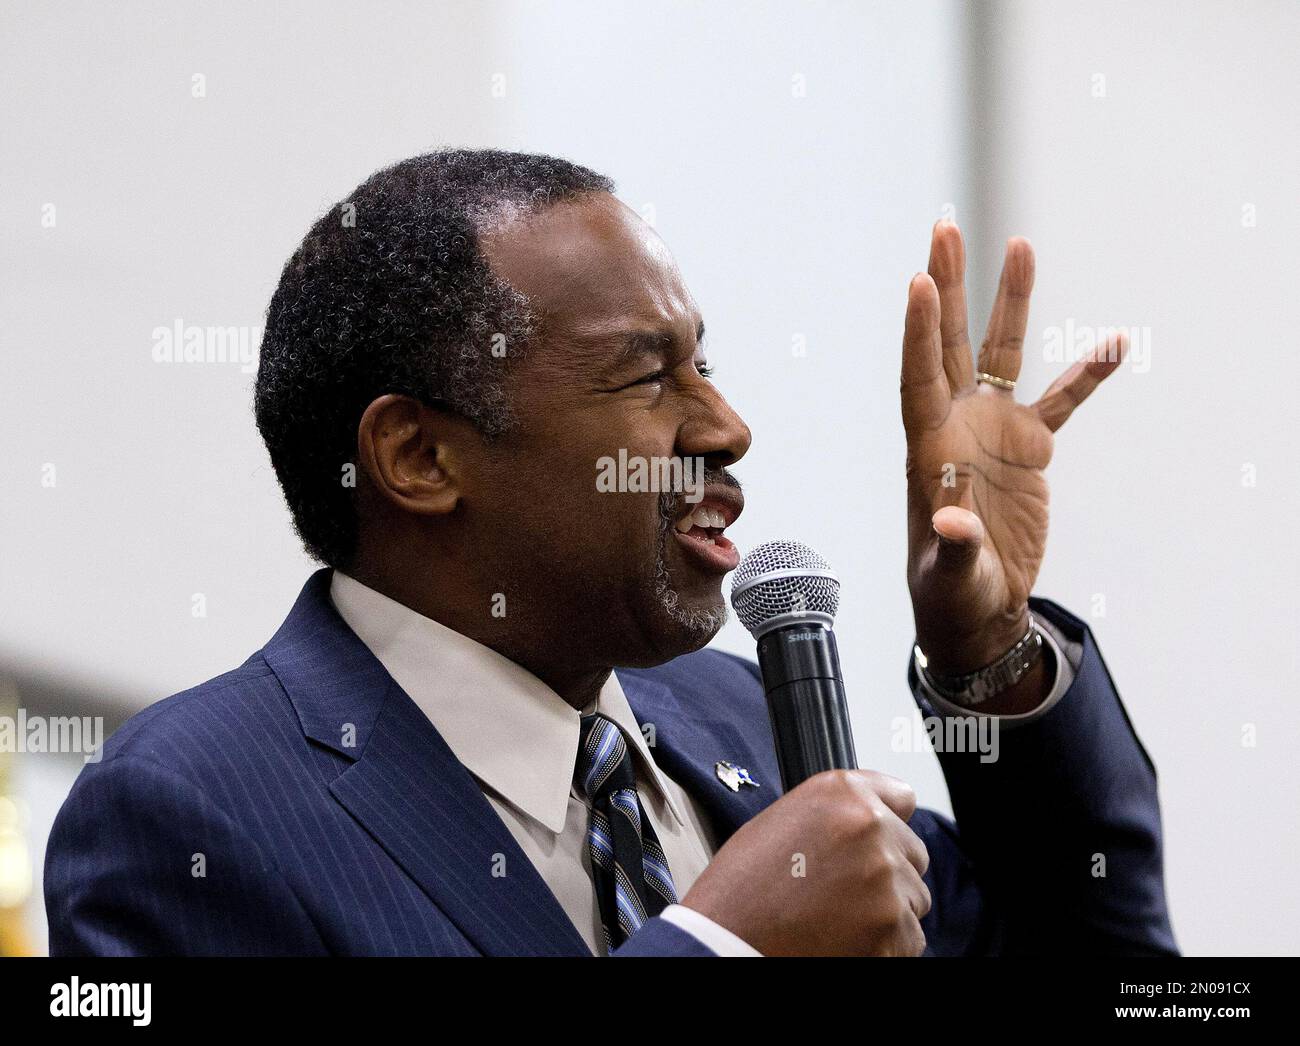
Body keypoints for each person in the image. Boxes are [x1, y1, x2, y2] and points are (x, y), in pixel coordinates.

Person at [45, 150, 1177, 956]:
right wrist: (712, 946)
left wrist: (989, 654)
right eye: (648, 374)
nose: (726, 424)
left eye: (708, 361)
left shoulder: (740, 723)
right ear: (419, 455)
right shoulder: (190, 813)